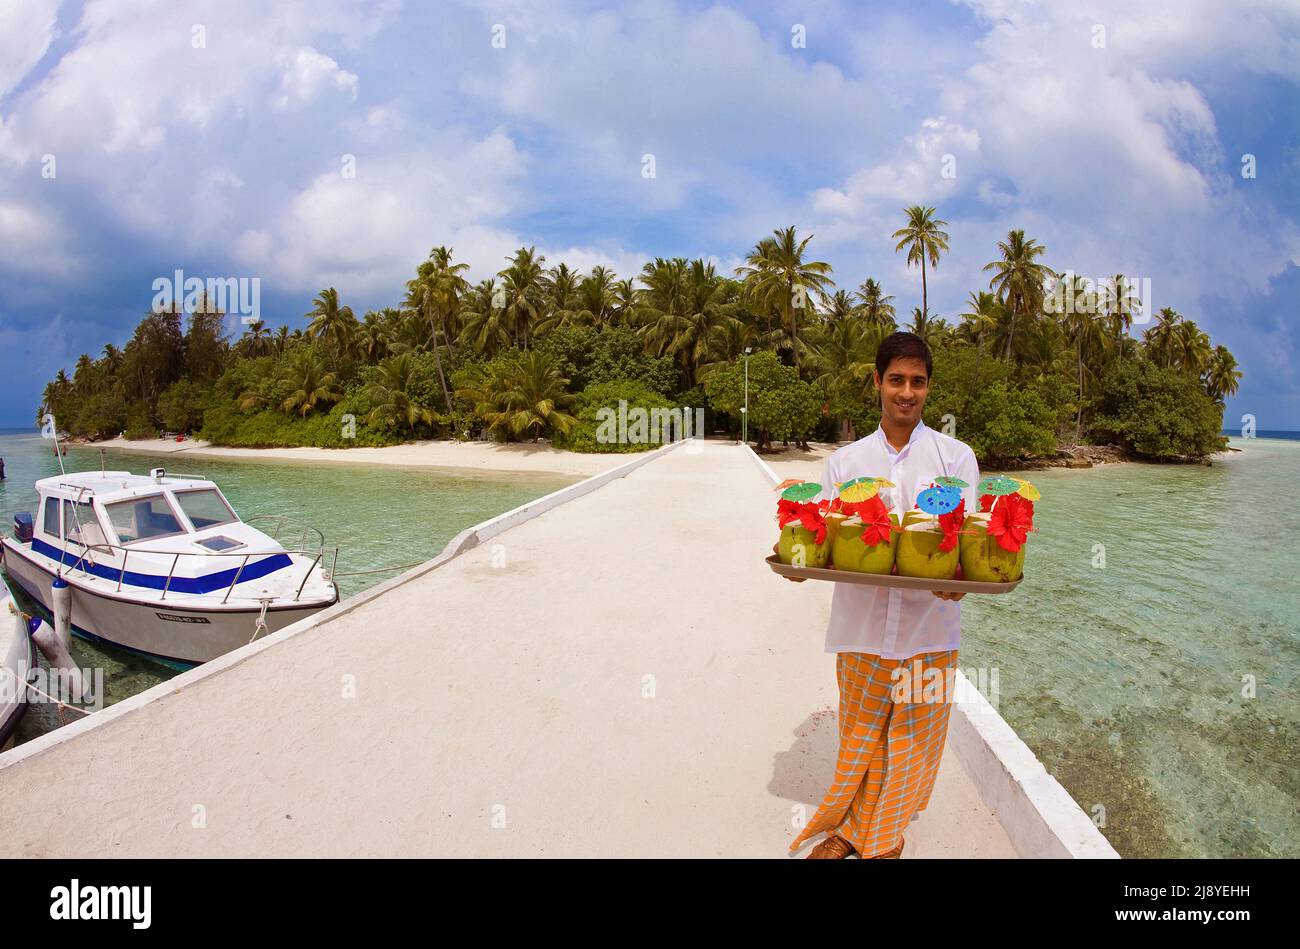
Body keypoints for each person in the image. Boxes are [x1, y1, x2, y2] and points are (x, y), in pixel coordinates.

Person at [776, 331, 980, 859]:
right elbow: (818, 535)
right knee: (861, 737)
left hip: (929, 627)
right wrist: (800, 564)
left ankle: (883, 839)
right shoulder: (845, 464)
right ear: (877, 383)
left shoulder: (956, 459)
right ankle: (849, 831)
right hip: (861, 624)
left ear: (928, 388)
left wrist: (959, 582)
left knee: (911, 745)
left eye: (917, 382)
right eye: (896, 380)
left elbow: (969, 541)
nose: (906, 392)